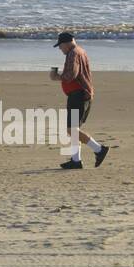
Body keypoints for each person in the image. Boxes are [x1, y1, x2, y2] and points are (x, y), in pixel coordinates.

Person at [49, 31, 109, 170]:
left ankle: (99, 149)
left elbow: (71, 75)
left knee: (71, 130)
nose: (60, 49)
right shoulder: (80, 51)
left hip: (78, 95)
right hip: (82, 94)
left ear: (66, 43)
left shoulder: (73, 54)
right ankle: (76, 160)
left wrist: (56, 76)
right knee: (74, 129)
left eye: (60, 46)